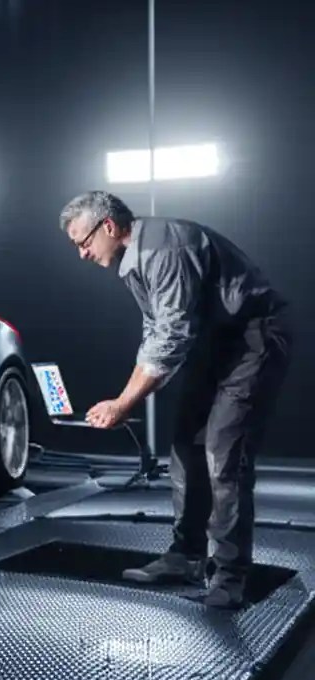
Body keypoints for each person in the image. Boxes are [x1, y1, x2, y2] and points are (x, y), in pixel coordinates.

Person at [58, 191, 292, 609]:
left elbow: (171, 336)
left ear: (107, 226)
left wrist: (123, 403)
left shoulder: (165, 249)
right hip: (213, 346)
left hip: (252, 340)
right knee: (186, 447)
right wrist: (125, 396)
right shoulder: (136, 260)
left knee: (224, 455)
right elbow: (157, 331)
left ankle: (230, 576)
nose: (82, 254)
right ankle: (186, 557)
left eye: (83, 242)